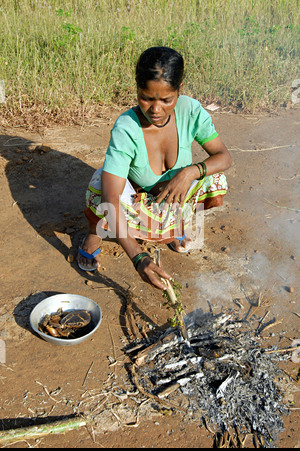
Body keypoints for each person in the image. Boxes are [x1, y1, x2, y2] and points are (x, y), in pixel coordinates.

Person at [77, 46, 232, 290]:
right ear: (137, 89)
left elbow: (223, 157)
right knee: (101, 186)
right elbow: (110, 199)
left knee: (215, 178)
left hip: (169, 197)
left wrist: (190, 171)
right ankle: (95, 233)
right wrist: (139, 258)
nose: (155, 109)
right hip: (135, 199)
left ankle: (174, 226)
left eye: (166, 100)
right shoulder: (126, 128)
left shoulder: (190, 111)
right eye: (146, 98)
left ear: (179, 90)